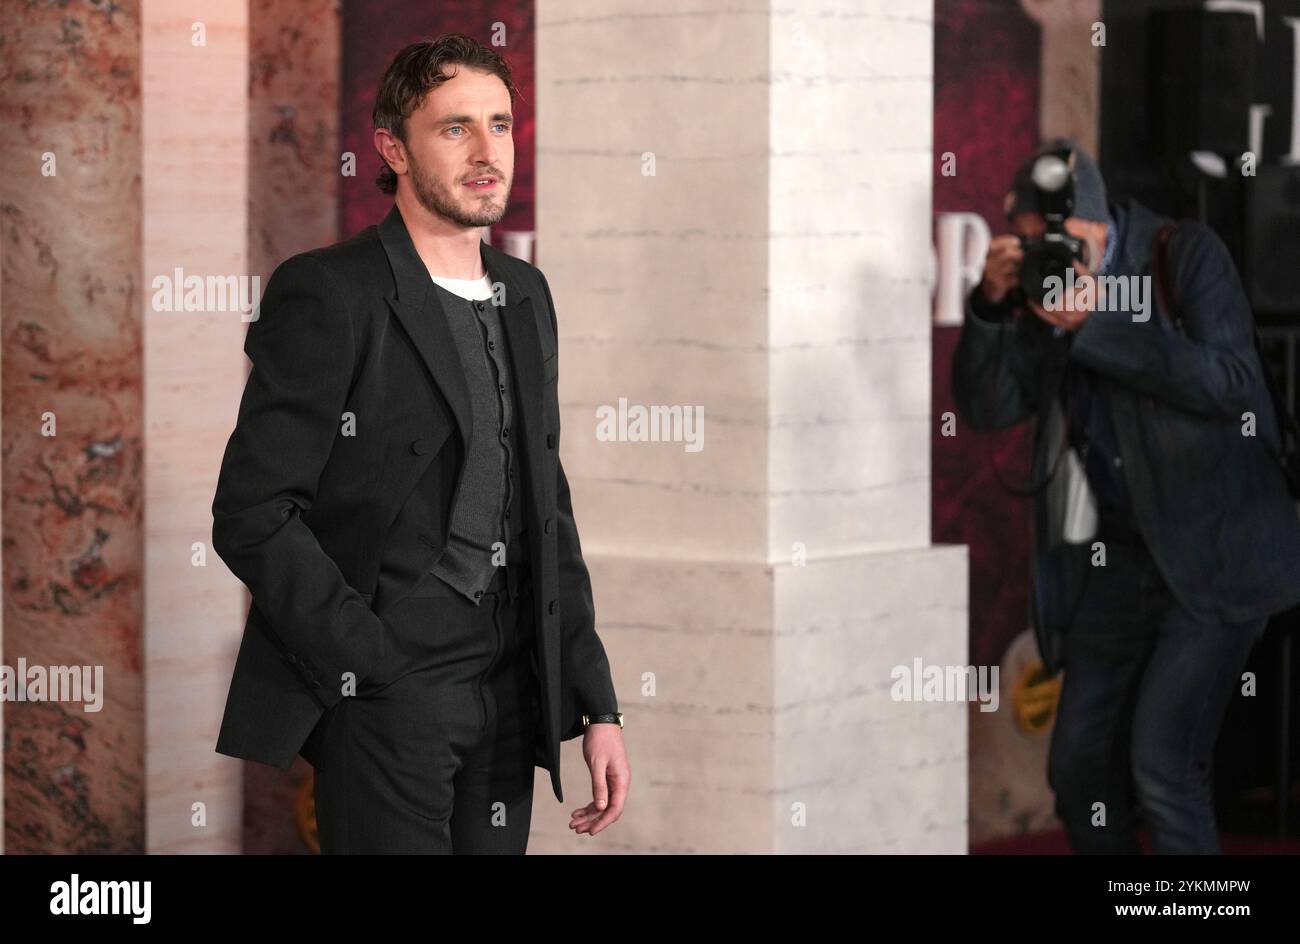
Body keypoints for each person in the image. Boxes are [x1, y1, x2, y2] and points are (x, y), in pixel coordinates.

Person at [211, 33, 629, 853]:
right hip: (388, 692)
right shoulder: (331, 292)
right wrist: (370, 659)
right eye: (454, 128)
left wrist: (596, 704)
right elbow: (252, 511)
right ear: (392, 147)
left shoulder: (526, 293)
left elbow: (549, 508)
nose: (486, 152)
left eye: (500, 125)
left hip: (513, 693)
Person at [953, 138, 1300, 854]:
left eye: (1062, 243)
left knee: (1163, 766)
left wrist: (1100, 324)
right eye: (1032, 248)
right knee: (1078, 768)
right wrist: (990, 307)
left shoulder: (1186, 256)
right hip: (1122, 558)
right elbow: (988, 406)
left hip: (1215, 556)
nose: (1052, 262)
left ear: (1100, 225)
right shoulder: (1045, 299)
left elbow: (1233, 386)